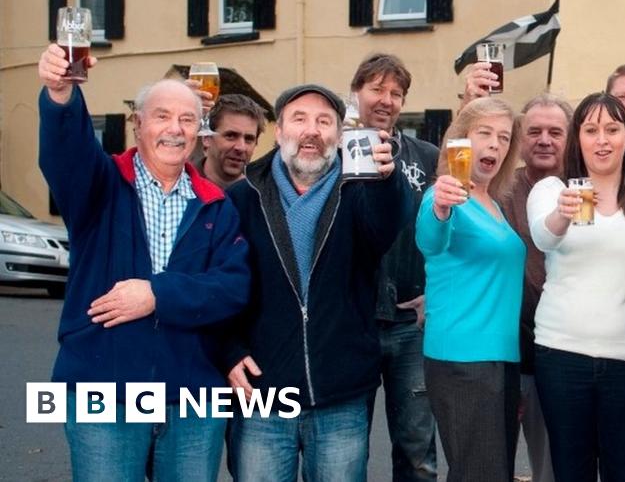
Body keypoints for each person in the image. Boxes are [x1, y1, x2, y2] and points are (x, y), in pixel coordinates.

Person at [36, 45, 250, 482]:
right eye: (162, 116)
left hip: (192, 400)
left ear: (200, 132)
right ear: (137, 124)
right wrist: (60, 95)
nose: (175, 129)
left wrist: (157, 294)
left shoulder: (217, 205)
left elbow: (233, 288)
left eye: (187, 120)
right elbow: (66, 152)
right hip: (104, 393)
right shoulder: (101, 186)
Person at [222, 84, 402, 481]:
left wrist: (387, 180)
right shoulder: (242, 198)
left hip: (341, 394)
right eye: (299, 119)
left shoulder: (359, 189)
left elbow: (383, 231)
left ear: (339, 136)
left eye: (324, 122)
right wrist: (229, 350)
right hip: (262, 395)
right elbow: (222, 287)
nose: (312, 131)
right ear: (279, 132)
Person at [528, 92, 625, 481]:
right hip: (561, 352)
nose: (602, 140)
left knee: (624, 470)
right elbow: (544, 238)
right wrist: (562, 213)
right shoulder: (552, 190)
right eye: (591, 130)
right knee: (570, 469)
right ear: (578, 138)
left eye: (612, 129)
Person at [417, 97, 526, 482]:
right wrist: (441, 209)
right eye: (485, 133)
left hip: (498, 358)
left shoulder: (493, 203)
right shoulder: (445, 194)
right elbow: (430, 240)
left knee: (490, 472)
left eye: (503, 137)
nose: (495, 144)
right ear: (461, 141)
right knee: (479, 474)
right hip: (462, 359)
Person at [351, 53, 440, 482]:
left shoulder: (426, 155)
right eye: (377, 89)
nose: (386, 100)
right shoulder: (333, 155)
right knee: (347, 453)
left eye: (396, 93)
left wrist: (437, 291)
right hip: (353, 324)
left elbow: (452, 229)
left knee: (417, 453)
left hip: (410, 323)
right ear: (356, 93)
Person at [495, 94, 574, 482]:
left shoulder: (583, 190)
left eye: (555, 132)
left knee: (552, 464)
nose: (544, 140)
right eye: (535, 131)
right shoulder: (499, 189)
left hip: (561, 348)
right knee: (492, 461)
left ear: (570, 138)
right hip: (504, 346)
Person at [197, 94, 267, 189]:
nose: (241, 147)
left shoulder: (261, 197)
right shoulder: (177, 186)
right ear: (206, 138)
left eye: (249, 139)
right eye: (231, 136)